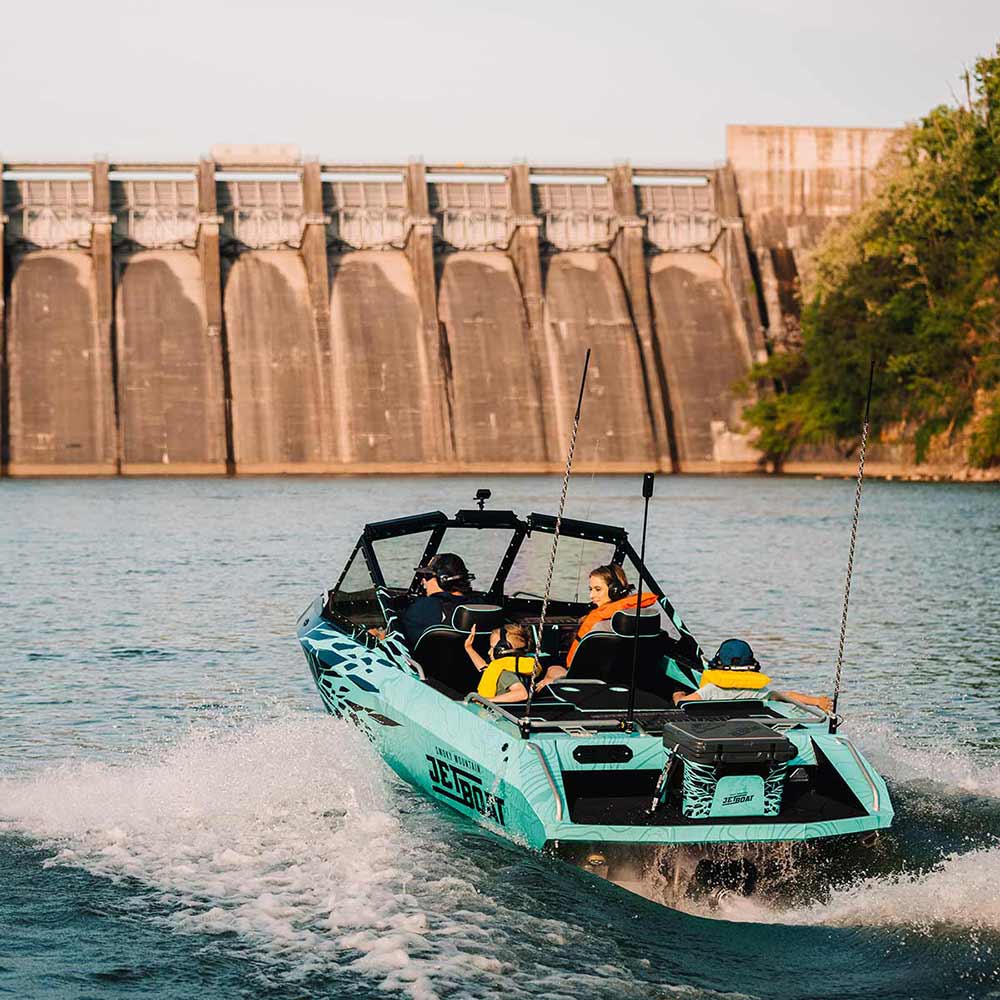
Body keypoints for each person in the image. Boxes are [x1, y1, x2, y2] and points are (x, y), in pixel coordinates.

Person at [543, 564, 659, 683]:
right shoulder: (637, 620)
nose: (591, 595)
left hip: (588, 681)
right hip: (623, 680)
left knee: (552, 669)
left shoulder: (599, 625)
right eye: (590, 589)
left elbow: (578, 665)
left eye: (598, 589)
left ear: (614, 590)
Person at [672, 638, 834, 713]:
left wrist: (677, 695)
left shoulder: (712, 690)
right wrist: (817, 701)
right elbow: (788, 696)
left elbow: (683, 704)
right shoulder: (760, 691)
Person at [397, 553, 474, 647]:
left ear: (443, 580)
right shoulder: (478, 604)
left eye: (427, 576)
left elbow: (402, 639)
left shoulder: (425, 606)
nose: (423, 581)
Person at [463, 623, 542, 703]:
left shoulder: (504, 673)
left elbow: (521, 694)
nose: (489, 652)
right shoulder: (509, 666)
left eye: (492, 648)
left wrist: (486, 700)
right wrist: (469, 648)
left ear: (501, 651)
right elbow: (485, 669)